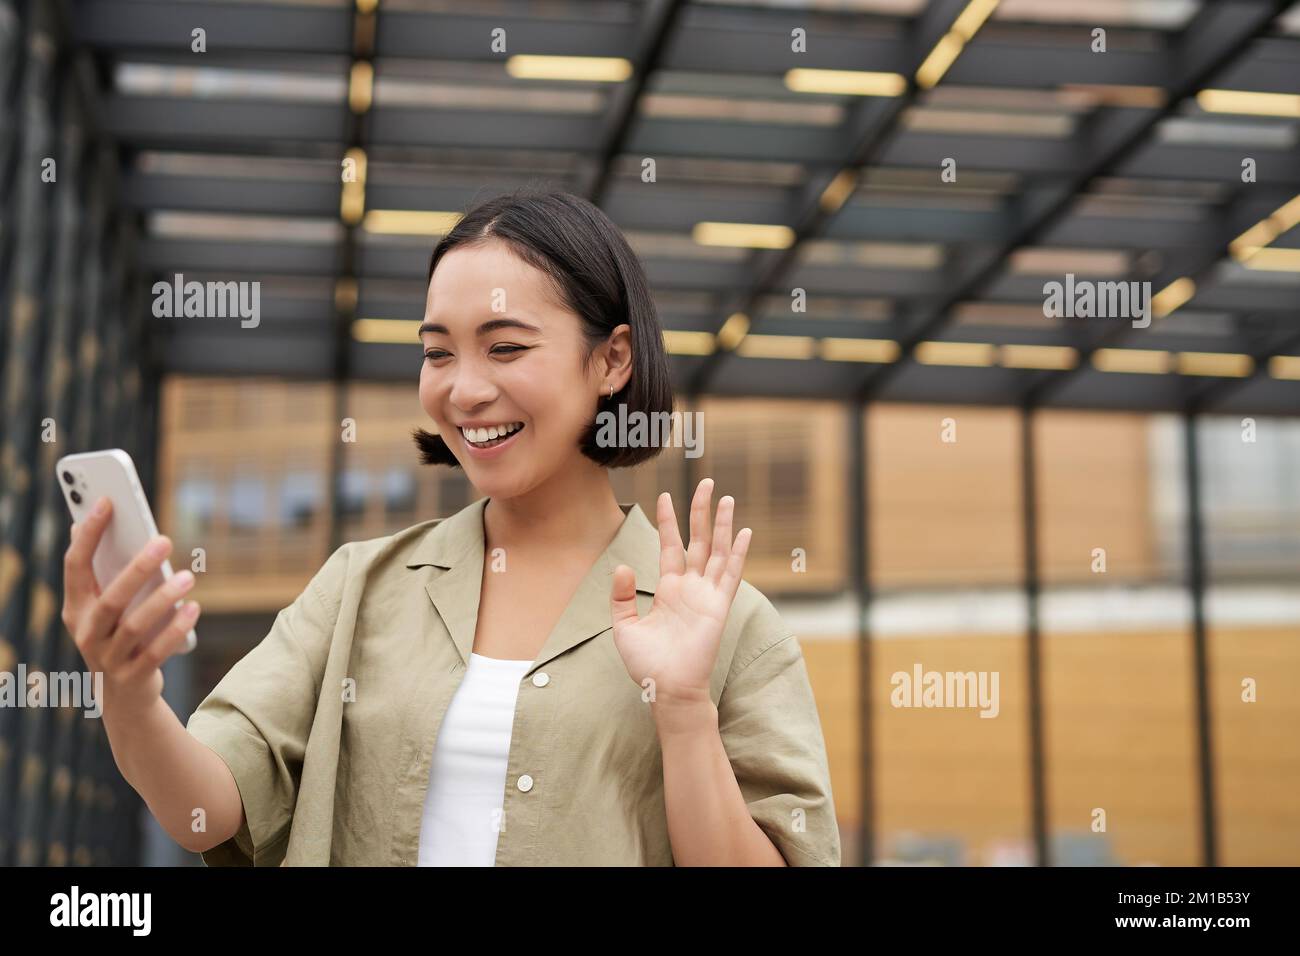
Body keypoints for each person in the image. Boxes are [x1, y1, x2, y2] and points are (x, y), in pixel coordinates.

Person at [60, 188, 840, 866]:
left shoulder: (733, 630)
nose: (465, 390)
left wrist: (682, 709)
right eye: (438, 354)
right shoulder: (359, 588)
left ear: (612, 361)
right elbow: (206, 809)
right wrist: (128, 692)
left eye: (505, 348)